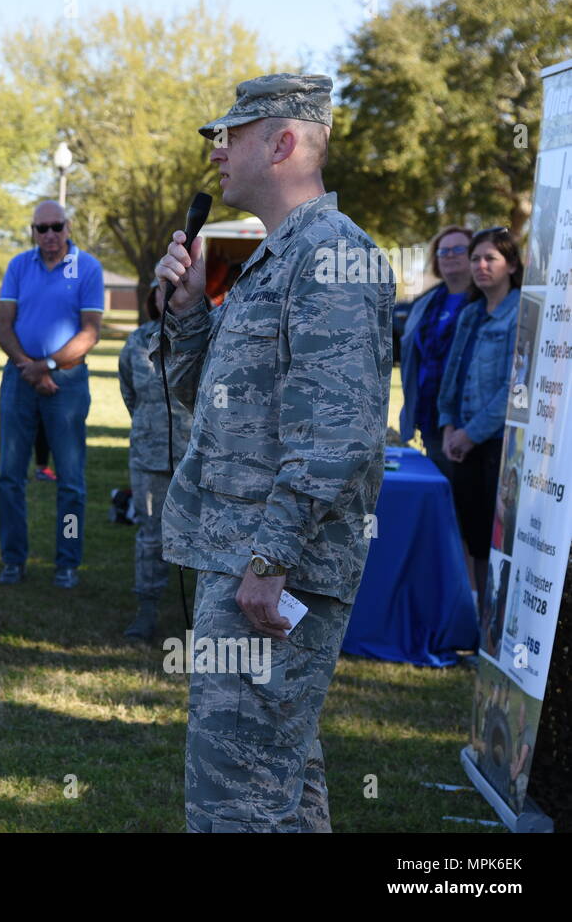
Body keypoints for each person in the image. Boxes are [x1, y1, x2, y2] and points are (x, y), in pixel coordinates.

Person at [153, 73, 394, 832]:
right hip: (244, 560)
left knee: (236, 802)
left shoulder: (330, 257)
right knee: (280, 790)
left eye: (232, 134)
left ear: (283, 142)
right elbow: (218, 405)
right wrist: (188, 315)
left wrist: (269, 561)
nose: (217, 151)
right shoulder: (271, 257)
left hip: (271, 571)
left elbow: (338, 432)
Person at [0, 200, 104, 589]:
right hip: (20, 378)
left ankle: (67, 563)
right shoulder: (19, 266)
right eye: (41, 228)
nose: (50, 235)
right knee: (9, 476)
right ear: (33, 231)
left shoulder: (87, 268)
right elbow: (3, 326)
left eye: (56, 226)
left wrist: (49, 366)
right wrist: (30, 367)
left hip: (67, 383)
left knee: (71, 480)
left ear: (68, 227)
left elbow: (90, 332)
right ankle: (12, 559)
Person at [438, 227, 521, 594]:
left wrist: (469, 434)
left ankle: (491, 627)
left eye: (491, 258)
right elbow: (452, 374)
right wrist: (448, 427)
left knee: (496, 539)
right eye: (475, 259)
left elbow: (515, 388)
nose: (481, 265)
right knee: (470, 535)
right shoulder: (470, 313)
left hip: (497, 446)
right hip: (462, 440)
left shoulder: (521, 312)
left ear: (512, 265)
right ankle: (475, 620)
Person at [118, 286, 192, 641]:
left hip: (200, 457)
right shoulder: (137, 341)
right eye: (162, 291)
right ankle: (146, 609)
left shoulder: (208, 337)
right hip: (150, 455)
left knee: (211, 535)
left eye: (176, 290)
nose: (169, 297)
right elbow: (129, 391)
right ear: (153, 299)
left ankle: (207, 613)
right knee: (151, 536)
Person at [399, 225, 475, 479]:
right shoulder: (426, 304)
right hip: (429, 414)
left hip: (468, 421)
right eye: (443, 251)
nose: (450, 255)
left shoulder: (484, 301)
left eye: (458, 249)